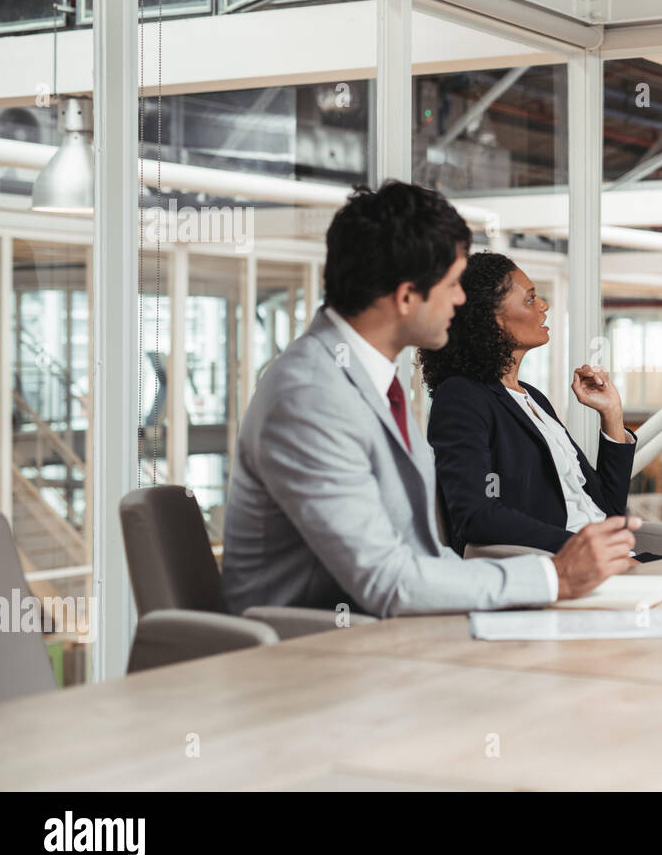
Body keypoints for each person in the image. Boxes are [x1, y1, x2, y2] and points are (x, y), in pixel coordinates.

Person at [221, 181, 639, 617]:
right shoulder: (311, 394)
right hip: (310, 653)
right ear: (405, 297)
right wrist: (556, 577)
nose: (461, 301)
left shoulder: (370, 380)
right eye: (453, 284)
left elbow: (419, 556)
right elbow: (387, 580)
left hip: (386, 633)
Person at [422, 251, 636, 556]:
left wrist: (611, 413)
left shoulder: (534, 398)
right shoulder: (462, 397)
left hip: (612, 559)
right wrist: (582, 547)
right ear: (491, 320)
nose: (544, 306)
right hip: (558, 565)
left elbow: (609, 511)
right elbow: (476, 515)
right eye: (530, 299)